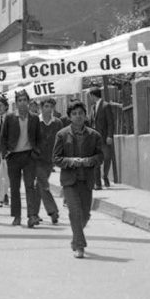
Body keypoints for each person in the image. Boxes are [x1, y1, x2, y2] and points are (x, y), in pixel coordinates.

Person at [53, 100, 104, 259]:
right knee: (75, 212)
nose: (78, 116)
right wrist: (71, 161)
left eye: (81, 113)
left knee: (85, 214)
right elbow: (56, 158)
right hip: (69, 181)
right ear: (69, 117)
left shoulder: (94, 135)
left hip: (86, 180)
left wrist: (90, 161)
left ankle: (75, 239)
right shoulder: (62, 134)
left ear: (85, 115)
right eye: (74, 114)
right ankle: (80, 246)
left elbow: (101, 156)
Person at [0, 91, 41, 228]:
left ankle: (32, 216)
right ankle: (17, 216)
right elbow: (3, 137)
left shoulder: (34, 118)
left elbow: (38, 137)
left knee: (30, 186)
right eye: (20, 100)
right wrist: (5, 153)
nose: (22, 102)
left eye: (25, 100)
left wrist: (37, 152)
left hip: (29, 156)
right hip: (14, 156)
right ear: (16, 103)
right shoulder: (10, 118)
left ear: (28, 102)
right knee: (15, 188)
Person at [33, 98, 64, 225]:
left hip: (50, 160)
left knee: (39, 186)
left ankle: (34, 213)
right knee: (43, 184)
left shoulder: (57, 123)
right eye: (46, 106)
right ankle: (53, 211)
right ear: (41, 108)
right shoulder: (35, 121)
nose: (48, 109)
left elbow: (62, 140)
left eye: (51, 106)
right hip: (36, 159)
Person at [87, 87, 122, 189]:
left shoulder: (105, 106)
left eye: (90, 96)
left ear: (93, 95)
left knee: (107, 158)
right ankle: (97, 184)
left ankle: (105, 175)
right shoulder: (92, 108)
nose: (90, 98)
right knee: (96, 161)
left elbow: (110, 122)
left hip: (104, 138)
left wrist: (110, 136)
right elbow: (91, 123)